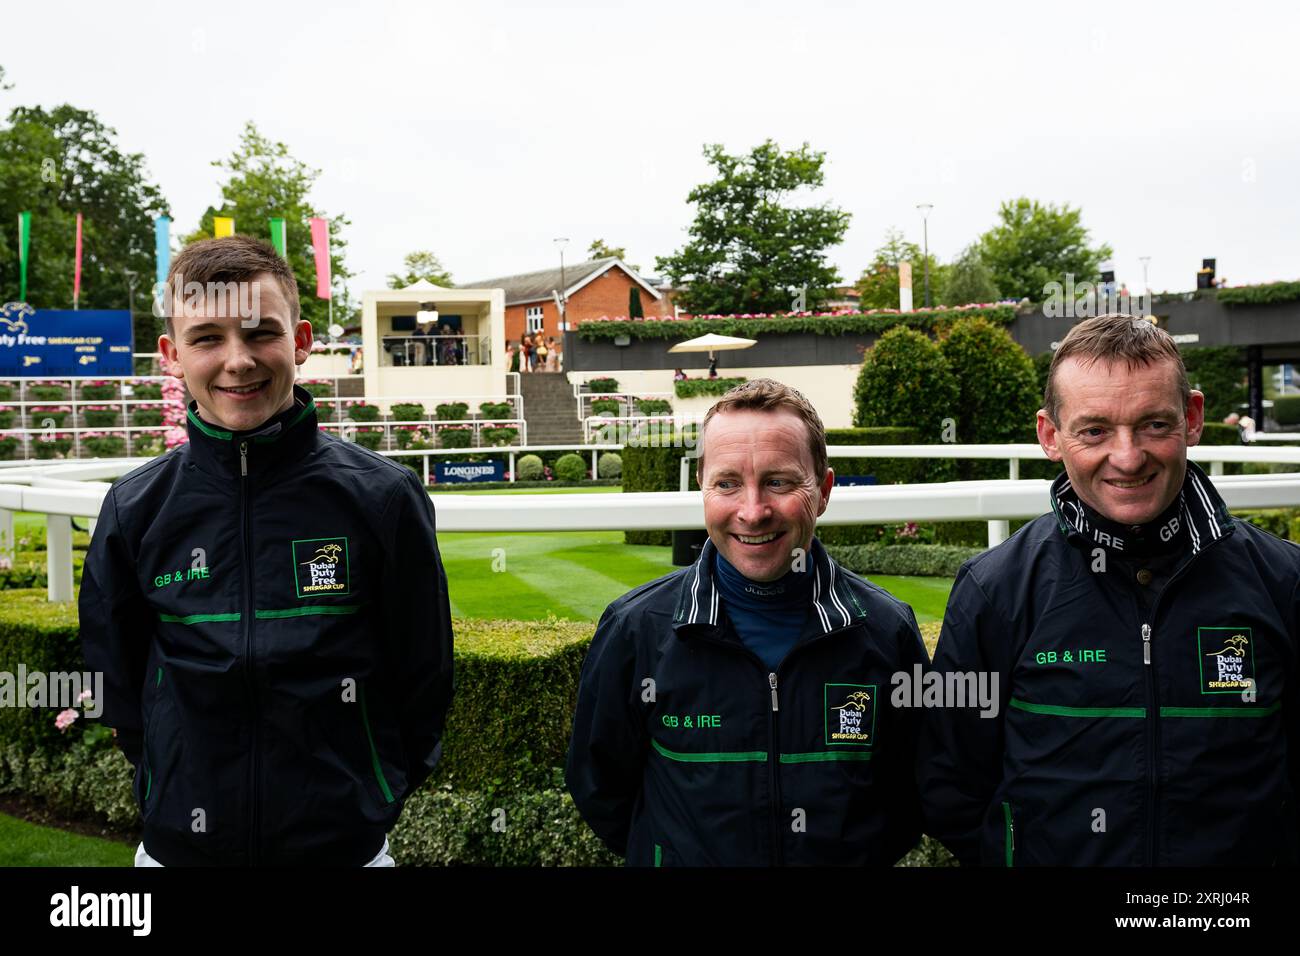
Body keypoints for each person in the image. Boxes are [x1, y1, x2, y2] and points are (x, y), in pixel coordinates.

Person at [79, 235, 455, 866]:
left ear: (301, 340)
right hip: (181, 851)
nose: (238, 360)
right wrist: (168, 782)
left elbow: (423, 675)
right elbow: (115, 682)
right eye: (207, 338)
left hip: (344, 850)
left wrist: (372, 791)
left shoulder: (382, 497)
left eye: (260, 333)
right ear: (172, 355)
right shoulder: (134, 507)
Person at [917, 313, 1300, 866]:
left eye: (1153, 424)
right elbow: (951, 784)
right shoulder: (993, 589)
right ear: (1051, 436)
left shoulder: (1283, 581)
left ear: (1192, 419)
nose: (1127, 457)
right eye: (1095, 430)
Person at [566, 378, 927, 865]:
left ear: (822, 490)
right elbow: (600, 788)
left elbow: (911, 796)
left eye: (778, 481)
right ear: (703, 489)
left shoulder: (887, 633)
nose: (752, 512)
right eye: (727, 483)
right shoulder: (636, 630)